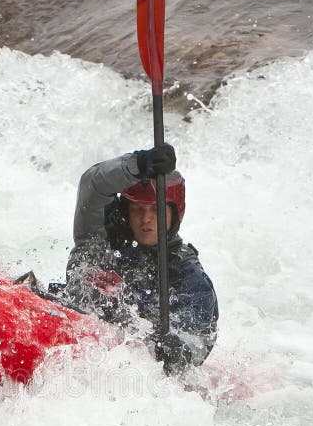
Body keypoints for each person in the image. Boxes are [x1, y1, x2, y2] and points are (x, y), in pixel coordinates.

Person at [61, 144, 218, 372]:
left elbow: (201, 332)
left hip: (131, 363)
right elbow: (93, 185)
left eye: (156, 211)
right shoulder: (102, 237)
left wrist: (179, 349)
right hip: (76, 332)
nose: (146, 219)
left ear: (174, 214)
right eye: (138, 210)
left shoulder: (184, 270)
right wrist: (137, 164)